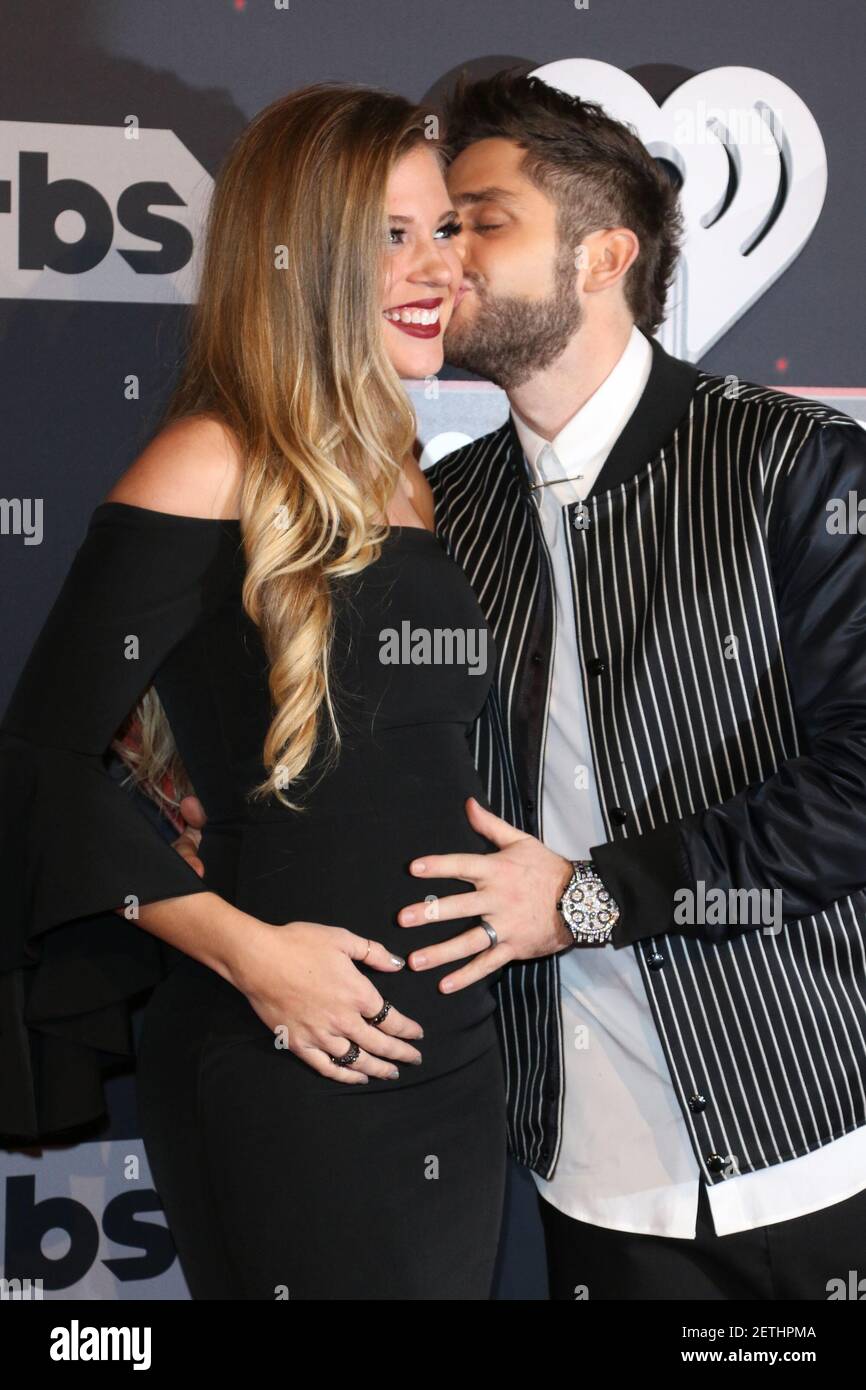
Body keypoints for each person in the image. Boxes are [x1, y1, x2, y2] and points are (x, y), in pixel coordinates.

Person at [177, 66, 866, 1300]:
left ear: (601, 257)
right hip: (570, 1170)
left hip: (808, 1145)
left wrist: (594, 899)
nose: (439, 258)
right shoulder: (439, 515)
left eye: (475, 221)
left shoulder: (793, 466)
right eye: (425, 227)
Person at [0, 83, 512, 1301]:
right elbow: (37, 766)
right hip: (284, 1050)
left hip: (446, 1051)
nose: (433, 264)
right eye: (389, 234)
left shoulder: (405, 474)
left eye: (444, 228)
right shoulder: (209, 460)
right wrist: (248, 956)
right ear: (302, 253)